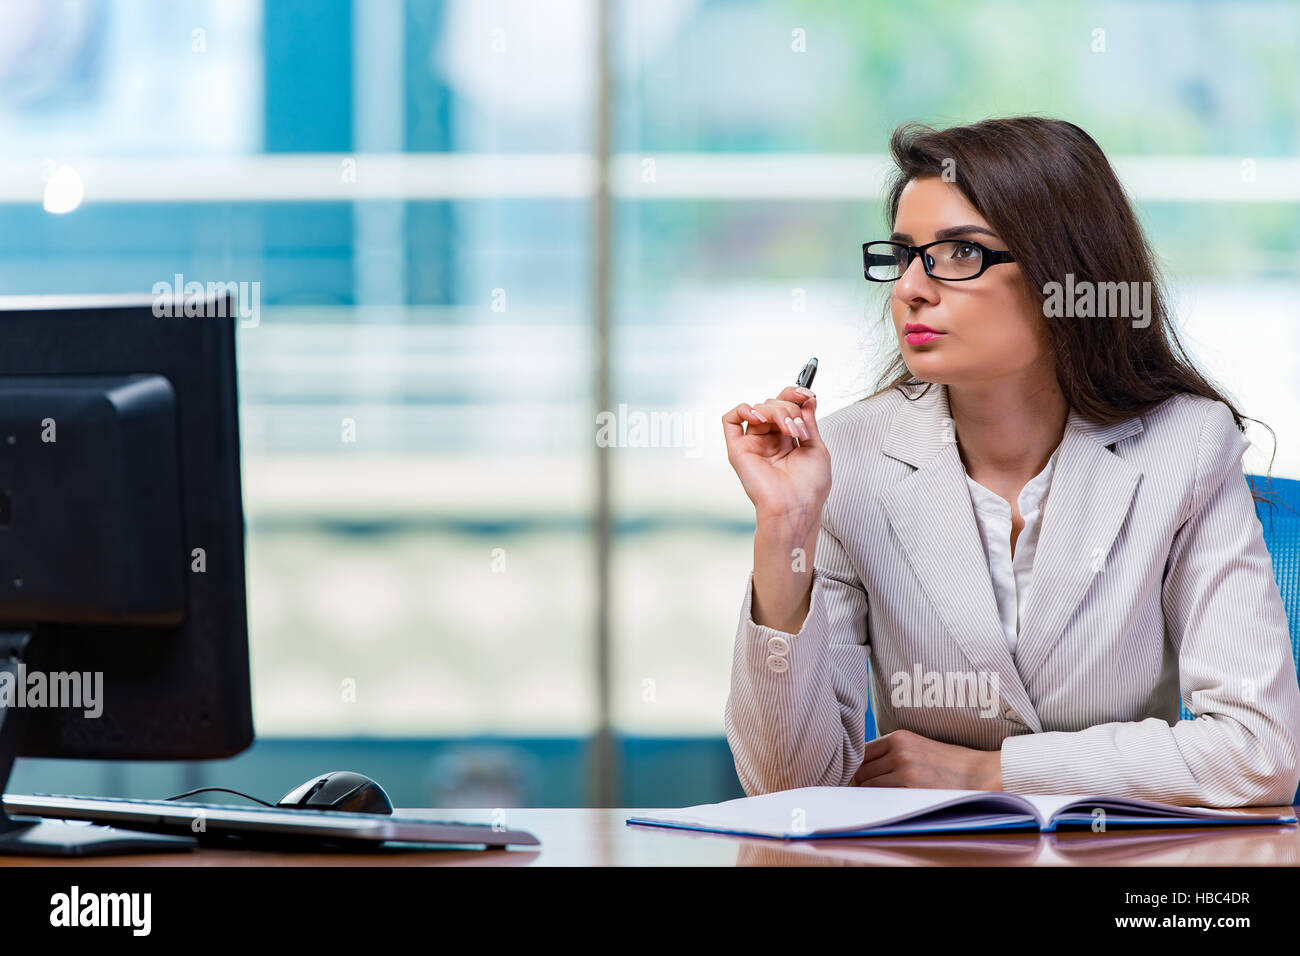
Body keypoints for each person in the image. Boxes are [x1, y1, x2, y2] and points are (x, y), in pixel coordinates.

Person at [721, 116, 1300, 808]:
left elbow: (1257, 751)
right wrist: (786, 527)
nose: (910, 287)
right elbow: (788, 786)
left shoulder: (1185, 445)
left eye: (960, 253)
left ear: (1065, 272)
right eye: (903, 254)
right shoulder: (849, 460)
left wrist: (989, 773)